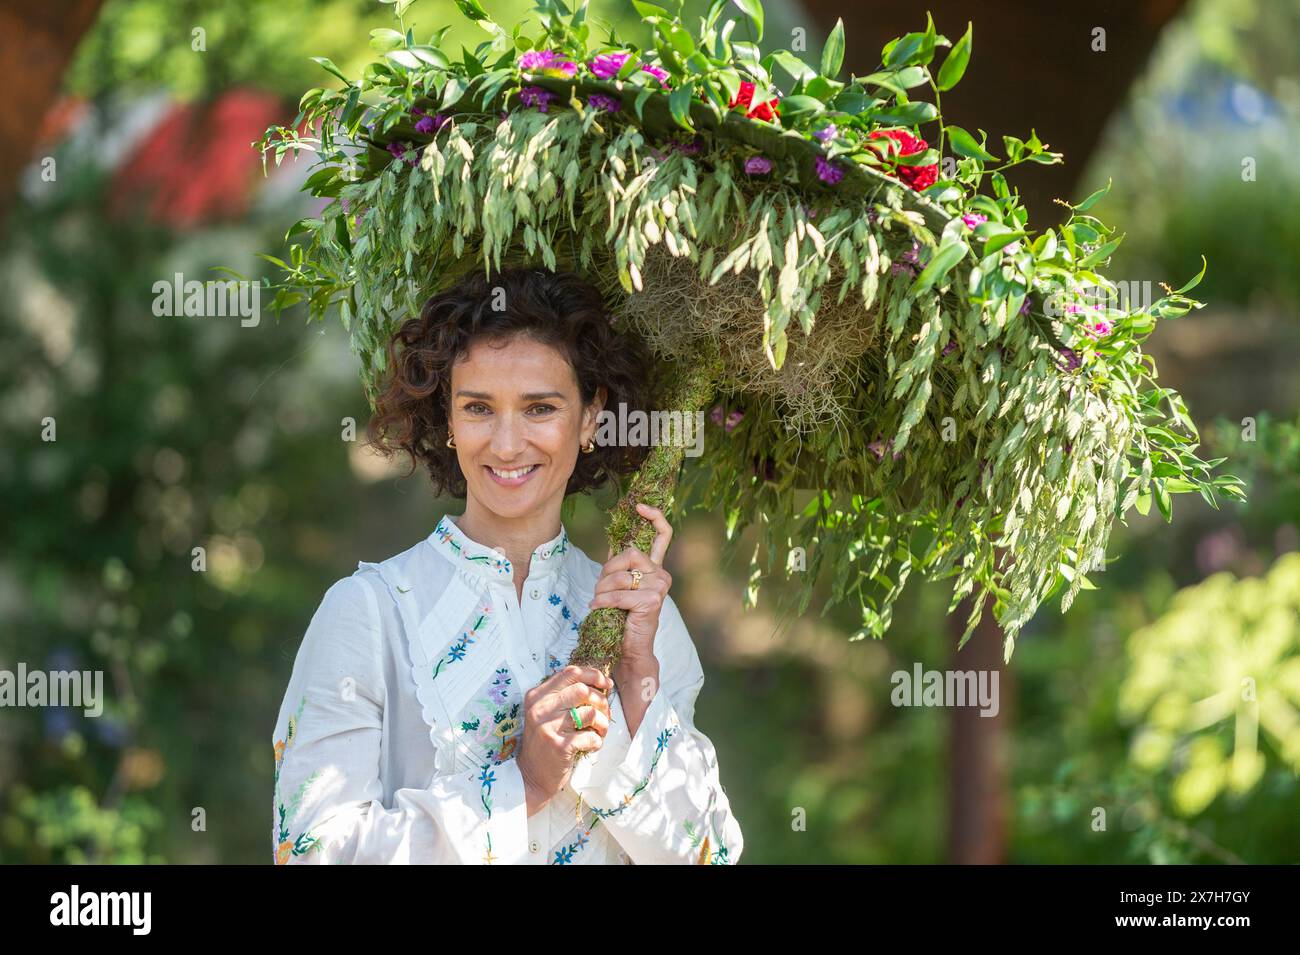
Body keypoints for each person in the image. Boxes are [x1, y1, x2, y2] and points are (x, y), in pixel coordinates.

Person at [271, 266, 744, 864]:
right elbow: (309, 851)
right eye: (478, 408)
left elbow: (708, 855)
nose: (506, 443)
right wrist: (522, 784)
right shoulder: (369, 614)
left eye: (540, 408)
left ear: (592, 417)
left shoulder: (639, 617)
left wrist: (635, 682)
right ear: (447, 420)